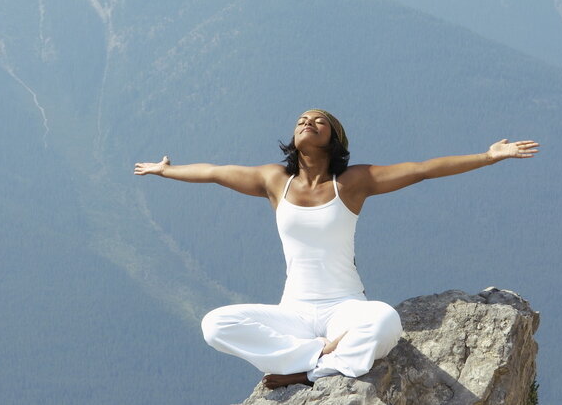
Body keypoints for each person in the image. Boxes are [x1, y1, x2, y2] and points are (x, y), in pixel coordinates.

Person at [133, 109, 538, 389]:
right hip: (294, 311)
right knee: (214, 325)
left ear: (333, 138)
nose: (308, 122)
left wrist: (488, 156)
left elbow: (423, 169)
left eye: (319, 121)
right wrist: (166, 171)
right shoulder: (275, 180)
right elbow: (216, 173)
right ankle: (316, 358)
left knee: (384, 321)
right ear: (294, 136)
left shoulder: (353, 182)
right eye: (302, 120)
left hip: (344, 307)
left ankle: (311, 374)